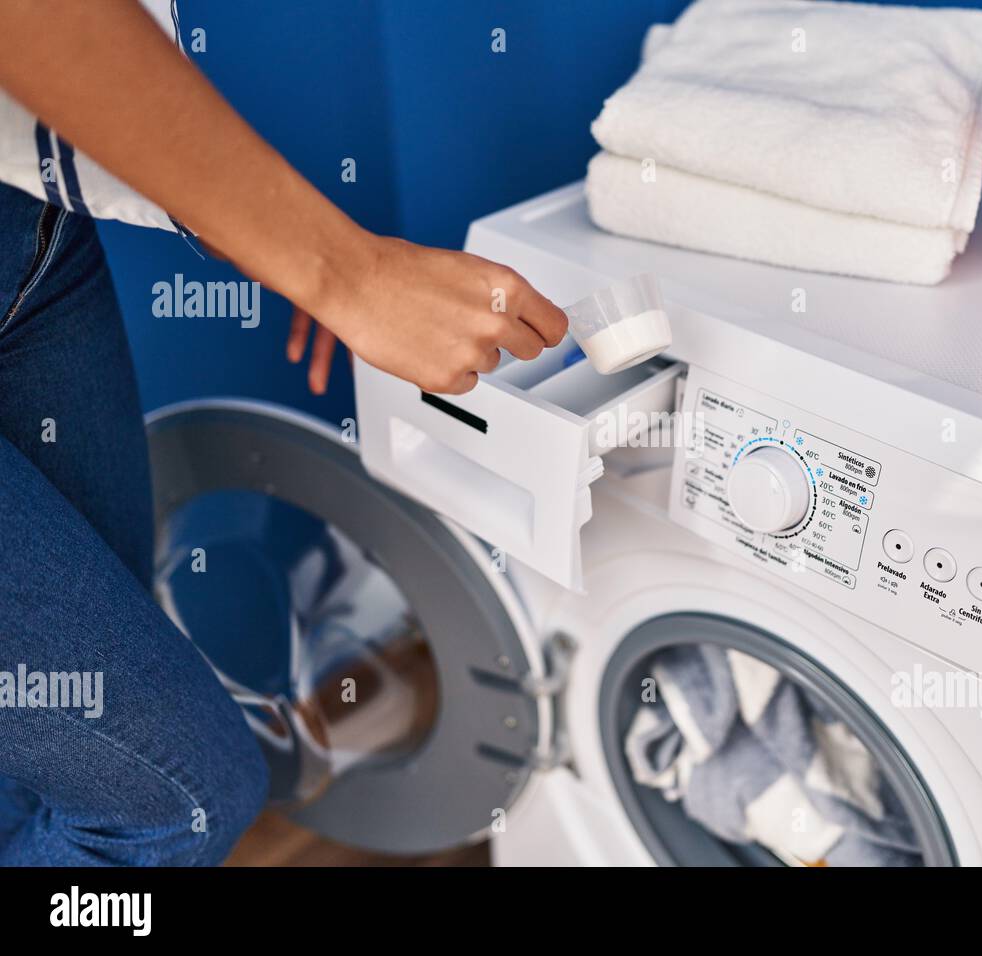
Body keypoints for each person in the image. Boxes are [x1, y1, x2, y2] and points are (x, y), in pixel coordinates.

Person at [0, 0, 568, 865]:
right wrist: (341, 269)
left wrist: (276, 239)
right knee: (174, 803)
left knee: (54, 764)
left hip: (30, 236)